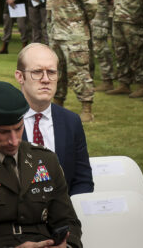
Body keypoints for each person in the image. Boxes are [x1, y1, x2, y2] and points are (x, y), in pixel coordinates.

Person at [0, 81, 81, 248]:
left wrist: (66, 245)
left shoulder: (45, 159)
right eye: (4, 132)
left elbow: (67, 220)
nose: (14, 141)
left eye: (18, 128)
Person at [13, 43, 93, 195]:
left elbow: (83, 180)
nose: (45, 79)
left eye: (51, 72)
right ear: (20, 76)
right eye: (37, 72)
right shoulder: (1, 120)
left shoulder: (71, 121)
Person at [46, 0, 96, 123]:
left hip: (74, 36)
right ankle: (57, 105)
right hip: (56, 35)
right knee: (56, 73)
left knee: (79, 73)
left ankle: (86, 108)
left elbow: (91, 5)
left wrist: (78, 23)